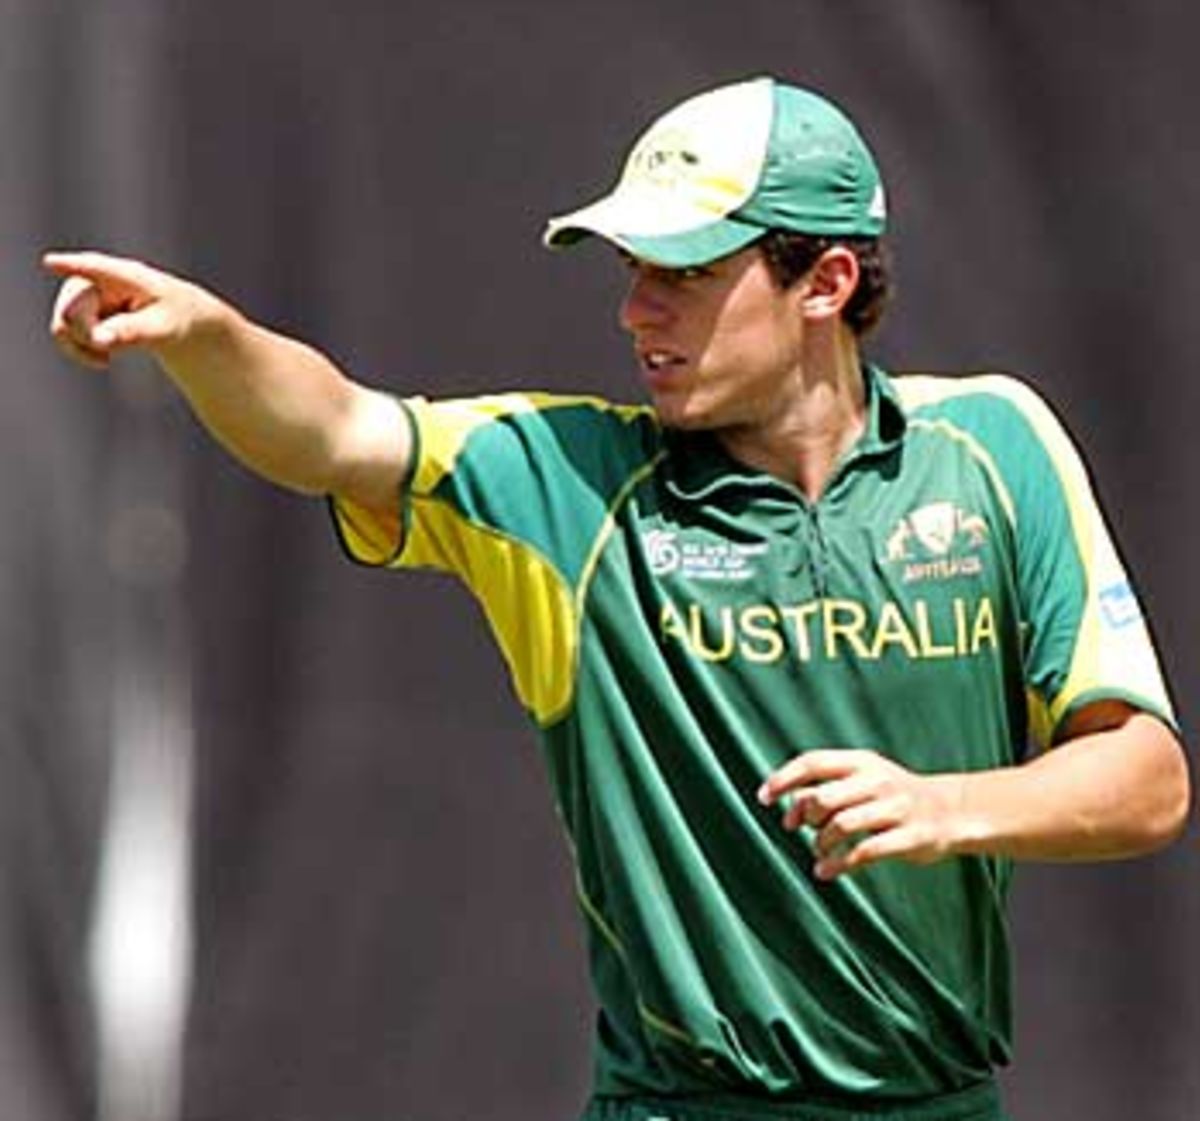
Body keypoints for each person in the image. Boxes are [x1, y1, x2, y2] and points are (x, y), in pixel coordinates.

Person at [46, 75, 1190, 1121]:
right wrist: (207, 338)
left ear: (826, 281)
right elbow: (337, 427)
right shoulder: (570, 482)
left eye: (686, 274)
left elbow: (1146, 775)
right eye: (633, 273)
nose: (638, 312)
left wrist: (947, 806)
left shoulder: (993, 445)